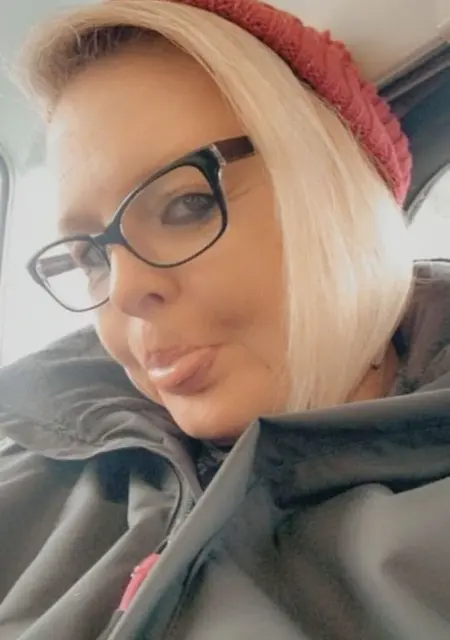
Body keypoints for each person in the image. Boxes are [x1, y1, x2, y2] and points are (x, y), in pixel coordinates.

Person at [0, 0, 449, 638]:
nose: (123, 290)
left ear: (341, 192)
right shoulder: (33, 459)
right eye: (91, 257)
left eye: (185, 205)